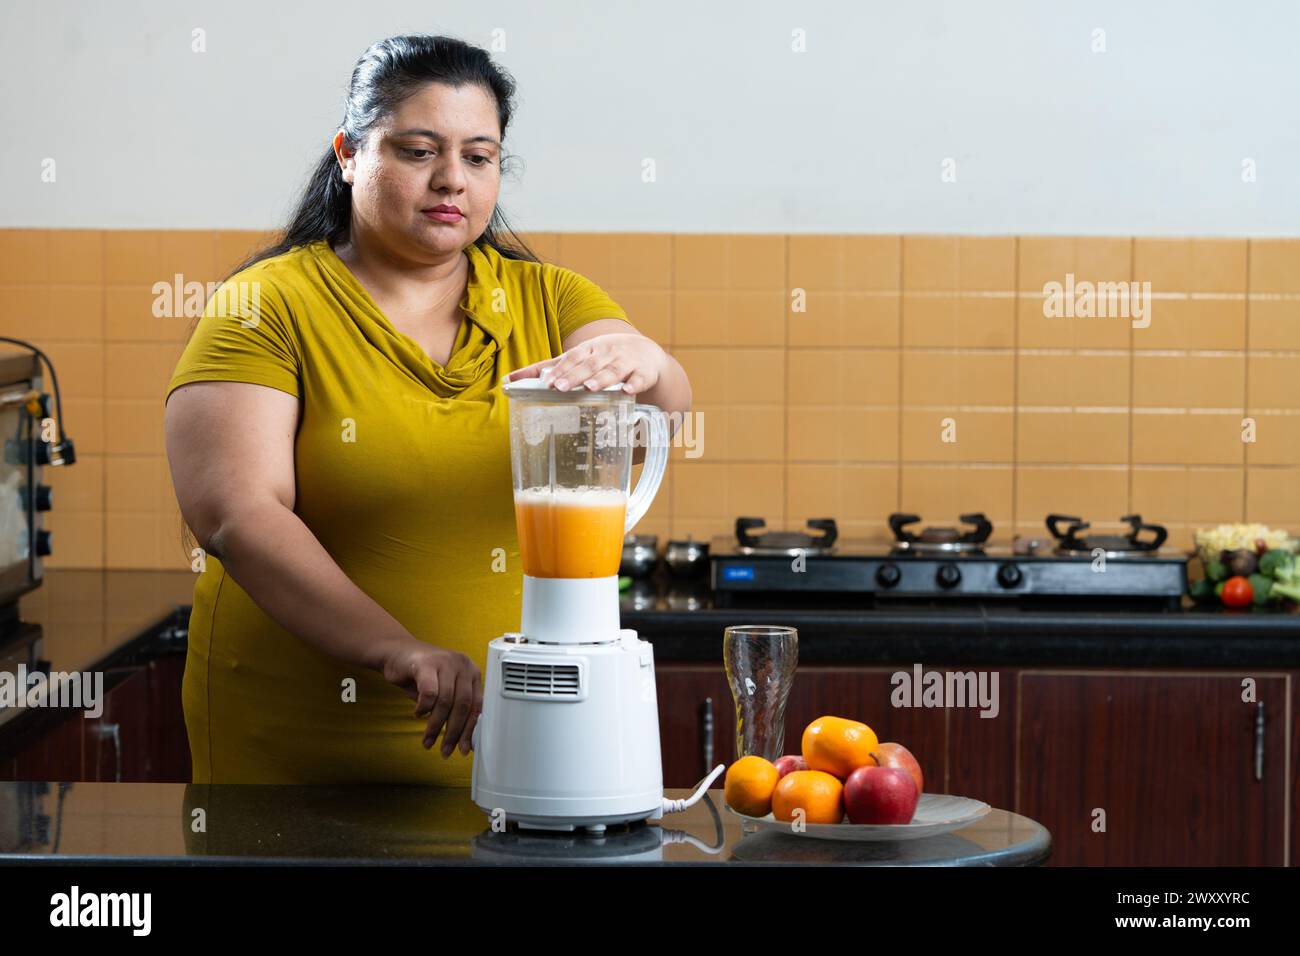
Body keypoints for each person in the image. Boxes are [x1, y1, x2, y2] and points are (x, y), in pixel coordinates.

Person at [163, 34, 691, 784]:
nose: (452, 180)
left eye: (478, 158)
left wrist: (652, 365)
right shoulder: (266, 306)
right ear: (349, 154)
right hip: (298, 754)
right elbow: (236, 515)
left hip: (517, 743)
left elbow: (660, 407)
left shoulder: (551, 298)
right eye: (418, 151)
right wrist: (395, 649)